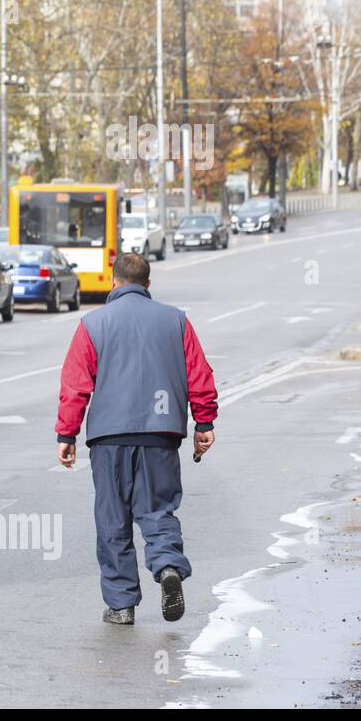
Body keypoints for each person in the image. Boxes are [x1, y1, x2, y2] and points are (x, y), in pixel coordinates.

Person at [54, 251, 217, 625]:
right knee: (158, 509)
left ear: (113, 282)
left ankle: (122, 604)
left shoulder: (93, 323)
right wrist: (203, 424)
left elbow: (75, 385)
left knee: (113, 517)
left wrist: (67, 433)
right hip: (161, 434)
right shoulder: (176, 321)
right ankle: (168, 566)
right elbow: (199, 377)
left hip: (109, 437)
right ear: (147, 284)